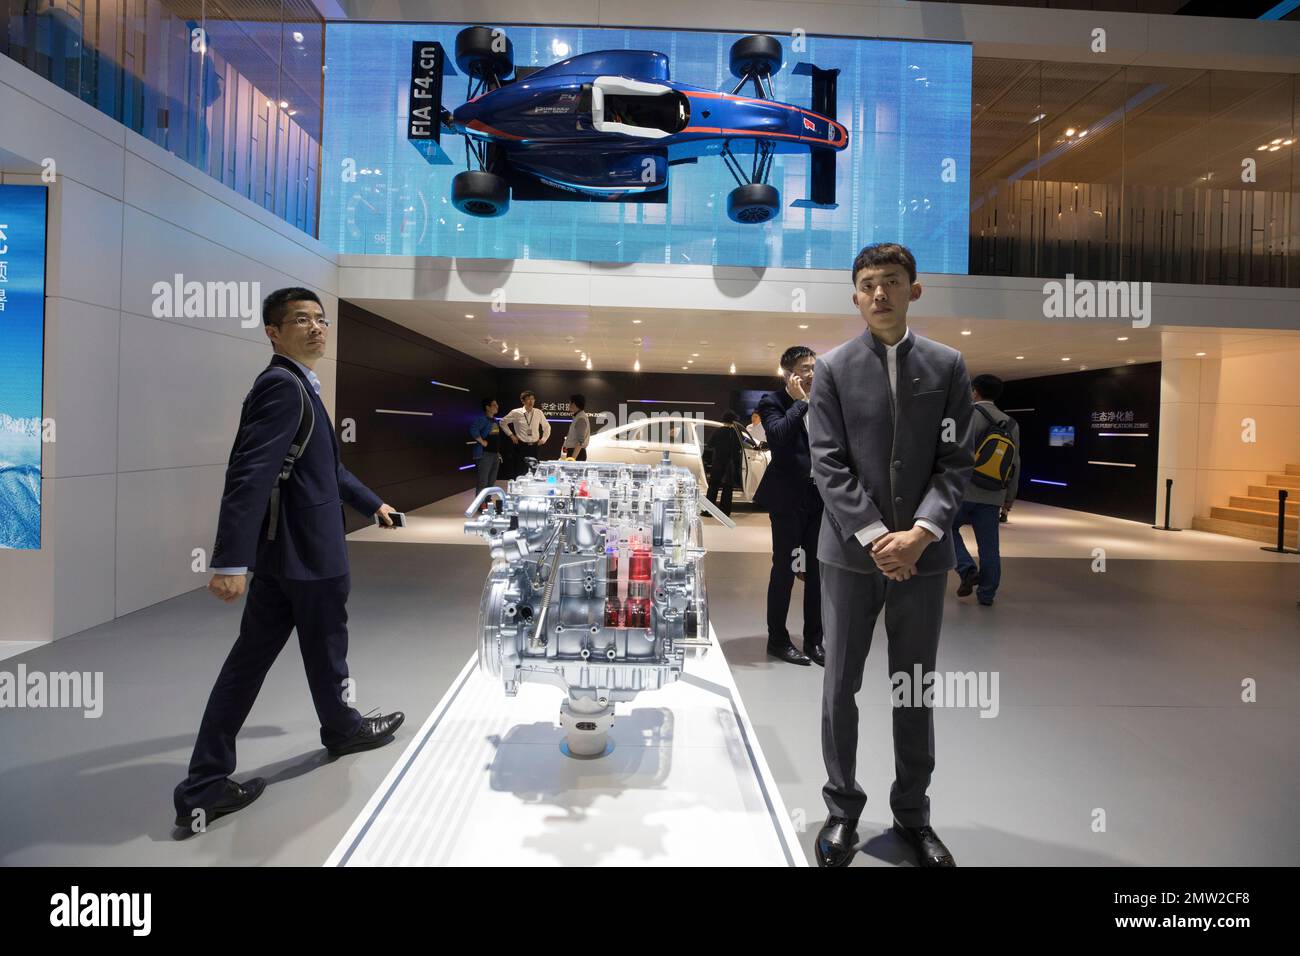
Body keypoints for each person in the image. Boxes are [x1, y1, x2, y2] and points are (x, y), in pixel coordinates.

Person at [173, 288, 405, 831]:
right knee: (317, 651)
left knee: (255, 661)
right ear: (273, 332)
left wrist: (373, 504)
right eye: (301, 320)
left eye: (320, 320)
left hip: (288, 555)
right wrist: (229, 561)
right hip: (309, 555)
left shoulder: (300, 385)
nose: (317, 328)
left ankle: (206, 783)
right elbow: (248, 474)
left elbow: (324, 470)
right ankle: (339, 731)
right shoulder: (283, 387)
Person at [807, 243, 974, 868]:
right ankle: (842, 810)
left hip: (924, 561)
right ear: (855, 295)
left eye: (893, 282)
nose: (881, 293)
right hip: (851, 559)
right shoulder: (832, 369)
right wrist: (879, 537)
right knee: (839, 687)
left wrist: (922, 533)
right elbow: (827, 462)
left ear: (914, 290)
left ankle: (913, 815)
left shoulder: (949, 365)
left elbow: (956, 462)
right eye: (869, 283)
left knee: (913, 687)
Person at [753, 346, 824, 667]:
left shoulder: (825, 399)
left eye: (814, 367)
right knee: (784, 569)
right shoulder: (773, 402)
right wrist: (800, 404)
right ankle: (777, 640)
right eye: (805, 368)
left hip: (820, 497)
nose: (811, 373)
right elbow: (779, 438)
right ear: (788, 373)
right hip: (787, 498)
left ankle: (815, 641)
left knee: (818, 571)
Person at [953, 374, 1020, 606]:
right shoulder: (1011, 424)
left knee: (943, 530)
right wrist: (1009, 498)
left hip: (963, 490)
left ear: (975, 392)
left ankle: (966, 568)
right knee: (990, 546)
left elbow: (952, 454)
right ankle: (987, 594)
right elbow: (1014, 463)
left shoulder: (966, 417)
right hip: (992, 493)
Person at [500, 390, 550, 478]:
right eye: (528, 399)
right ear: (523, 401)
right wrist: (511, 435)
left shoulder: (538, 412)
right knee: (520, 471)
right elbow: (502, 422)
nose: (531, 401)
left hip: (535, 446)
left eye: (532, 399)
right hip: (521, 446)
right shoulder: (516, 412)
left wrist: (543, 439)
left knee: (535, 470)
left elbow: (547, 427)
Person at [704, 411, 744, 517]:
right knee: (727, 488)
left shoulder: (718, 431)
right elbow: (740, 448)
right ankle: (725, 512)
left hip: (718, 462)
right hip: (729, 465)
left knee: (713, 487)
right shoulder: (736, 434)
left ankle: (708, 511)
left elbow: (709, 444)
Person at [470, 397, 503, 512]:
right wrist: (482, 441)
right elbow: (473, 430)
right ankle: (480, 504)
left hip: (494, 455)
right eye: (494, 405)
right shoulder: (482, 419)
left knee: (491, 480)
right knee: (483, 481)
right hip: (484, 454)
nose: (496, 407)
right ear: (487, 407)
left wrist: (498, 452)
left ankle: (487, 500)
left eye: (497, 405)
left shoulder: (494, 420)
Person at [561, 394, 592, 461]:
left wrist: (573, 458)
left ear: (574, 404)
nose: (568, 405)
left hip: (577, 454)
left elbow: (580, 441)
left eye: (569, 403)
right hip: (574, 452)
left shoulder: (581, 418)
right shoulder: (578, 416)